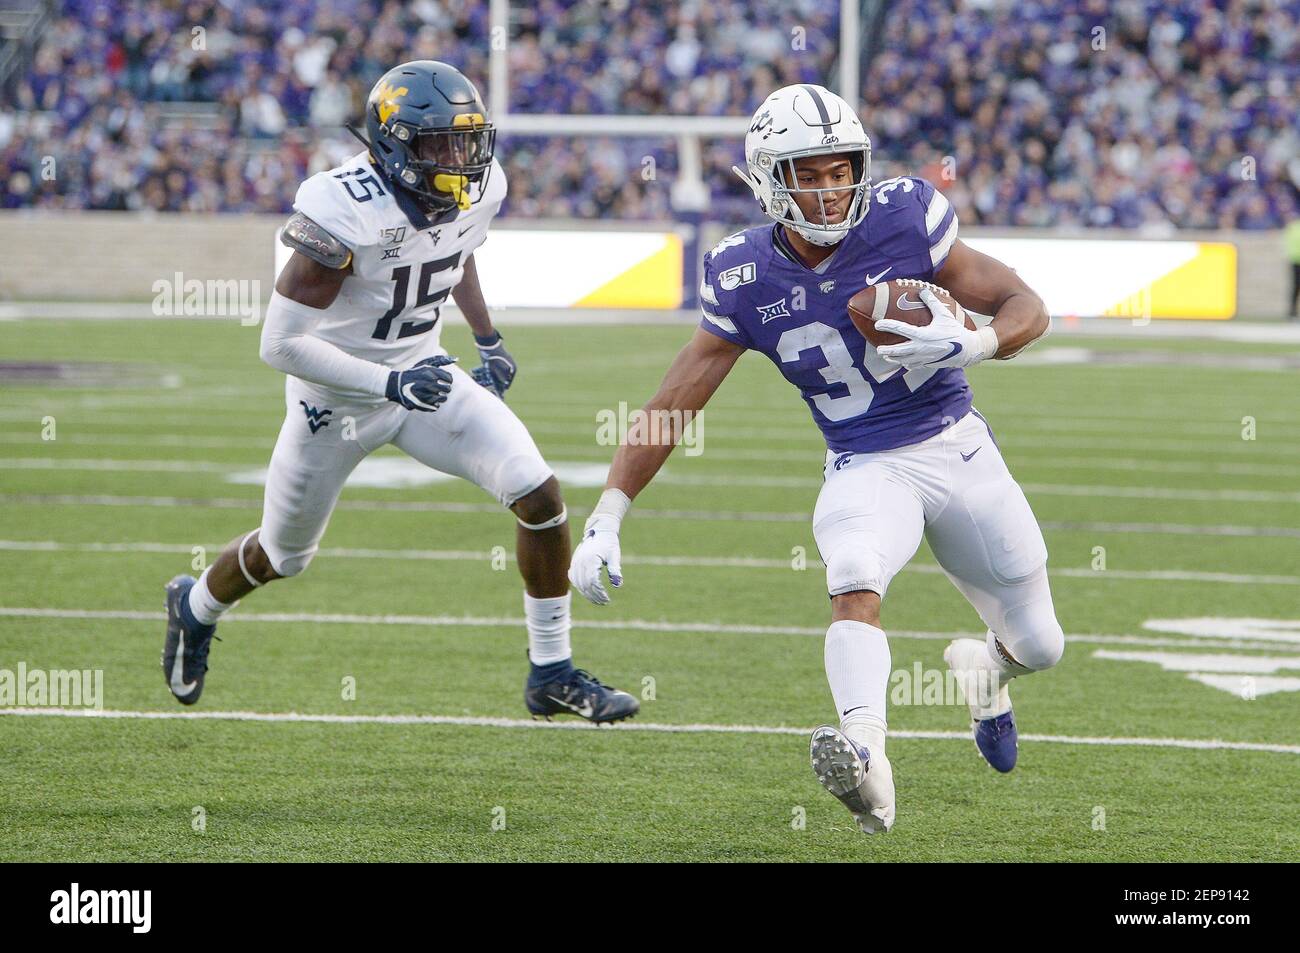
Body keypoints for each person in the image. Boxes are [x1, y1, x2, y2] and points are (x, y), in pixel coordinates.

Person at [569, 84, 1063, 832]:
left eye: (841, 170)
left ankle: (985, 669)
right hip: (865, 462)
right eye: (811, 172)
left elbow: (1025, 300)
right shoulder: (742, 273)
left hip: (957, 444)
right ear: (770, 178)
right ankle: (866, 756)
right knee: (854, 569)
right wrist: (609, 511)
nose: (832, 190)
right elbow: (680, 395)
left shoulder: (906, 216)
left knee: (1042, 643)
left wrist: (980, 341)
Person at [161, 61, 638, 725]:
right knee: (282, 555)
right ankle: (194, 608)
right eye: (439, 143)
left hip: (424, 372)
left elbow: (456, 250)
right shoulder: (342, 210)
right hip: (336, 400)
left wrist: (487, 336)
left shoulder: (477, 188)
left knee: (539, 493)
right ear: (395, 145)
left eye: (465, 140)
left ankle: (551, 671)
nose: (459, 157)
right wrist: (389, 381)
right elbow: (279, 345)